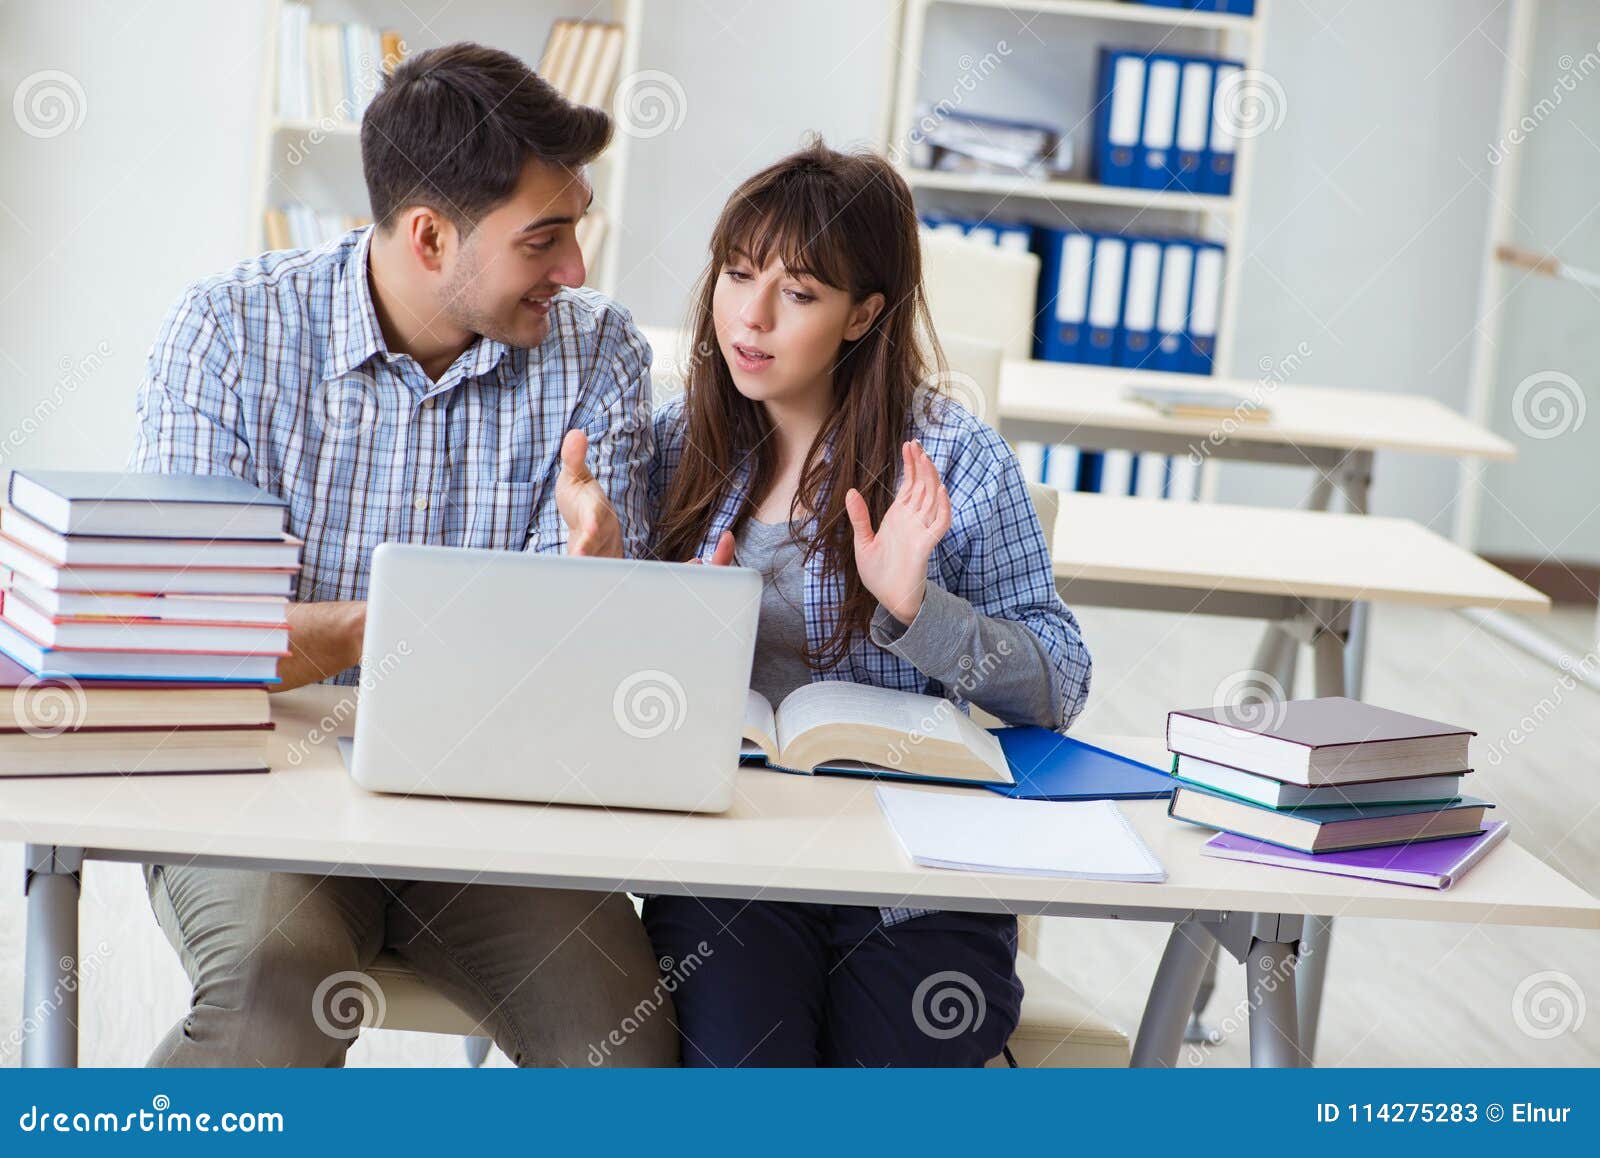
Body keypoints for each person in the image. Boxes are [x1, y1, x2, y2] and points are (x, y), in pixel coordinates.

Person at [129, 43, 671, 1067]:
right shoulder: (227, 336)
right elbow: (181, 641)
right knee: (272, 999)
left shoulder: (598, 352)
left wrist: (605, 598)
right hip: (261, 781)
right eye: (544, 239)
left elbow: (567, 671)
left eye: (578, 230)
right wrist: (392, 631)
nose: (576, 270)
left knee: (626, 1049)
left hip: (491, 804)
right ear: (430, 236)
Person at [643, 140, 1093, 1067]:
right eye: (736, 276)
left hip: (914, 879)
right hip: (732, 868)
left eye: (799, 294)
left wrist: (919, 607)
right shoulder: (676, 444)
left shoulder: (954, 459)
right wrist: (646, 607)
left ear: (864, 315)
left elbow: (1061, 687)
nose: (752, 317)